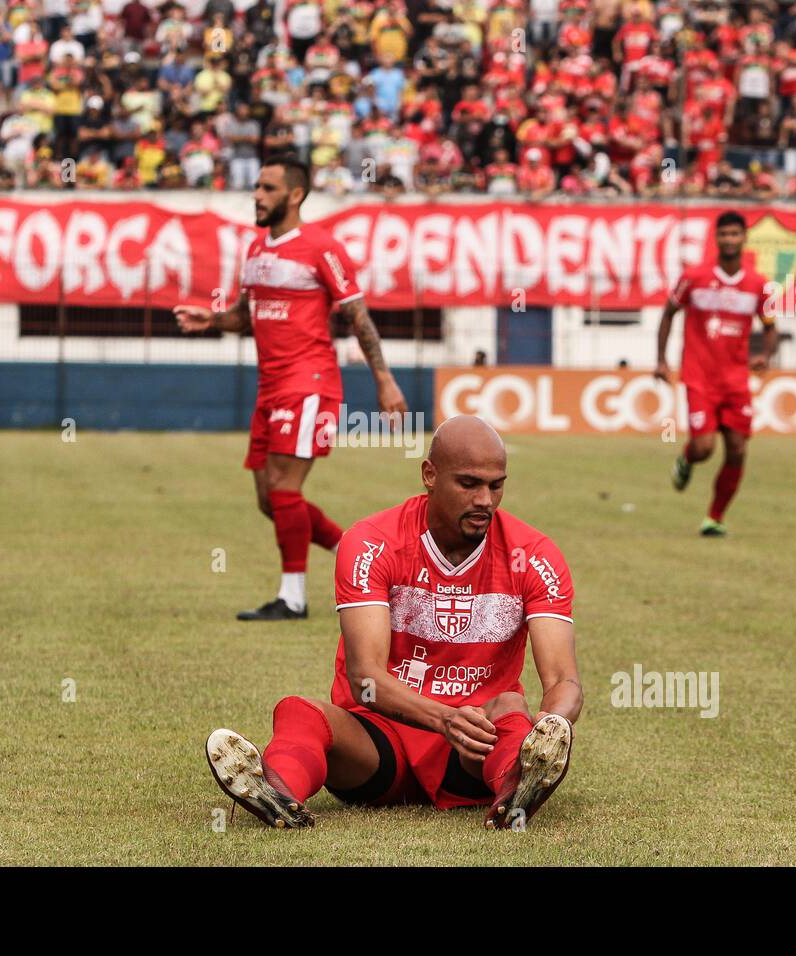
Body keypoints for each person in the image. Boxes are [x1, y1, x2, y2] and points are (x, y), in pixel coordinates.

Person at [205, 415, 580, 830]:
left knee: (510, 707)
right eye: (469, 484)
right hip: (379, 746)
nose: (485, 501)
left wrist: (551, 727)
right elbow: (365, 678)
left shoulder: (535, 554)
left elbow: (564, 680)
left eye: (496, 485)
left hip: (475, 753)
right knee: (299, 712)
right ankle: (277, 793)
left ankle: (517, 781)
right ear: (429, 475)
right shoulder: (371, 542)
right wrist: (443, 718)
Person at [174, 154, 409, 621]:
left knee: (284, 488)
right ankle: (363, 557)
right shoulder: (258, 249)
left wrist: (384, 380)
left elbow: (358, 317)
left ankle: (293, 598)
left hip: (309, 383)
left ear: (295, 194)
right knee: (270, 499)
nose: (256, 196)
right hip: (270, 388)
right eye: (257, 187)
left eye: (267, 188)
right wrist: (213, 319)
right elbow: (245, 315)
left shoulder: (322, 247)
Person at [654, 211, 778, 536]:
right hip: (699, 378)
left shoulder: (758, 285)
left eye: (735, 234)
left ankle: (715, 517)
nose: (729, 240)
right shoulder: (694, 277)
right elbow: (668, 314)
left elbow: (770, 327)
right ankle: (686, 459)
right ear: (716, 238)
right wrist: (661, 360)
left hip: (736, 381)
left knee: (737, 448)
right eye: (724, 234)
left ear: (743, 238)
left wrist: (765, 354)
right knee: (704, 448)